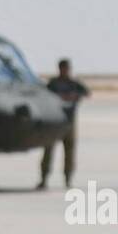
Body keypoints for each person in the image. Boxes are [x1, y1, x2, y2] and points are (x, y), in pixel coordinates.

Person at [40, 57, 90, 188]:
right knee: (48, 152)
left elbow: (86, 92)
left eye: (67, 68)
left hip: (69, 124)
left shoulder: (74, 83)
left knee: (69, 153)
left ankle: (68, 180)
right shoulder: (53, 83)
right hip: (54, 123)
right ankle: (44, 179)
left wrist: (74, 96)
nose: (65, 71)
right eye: (64, 68)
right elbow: (45, 95)